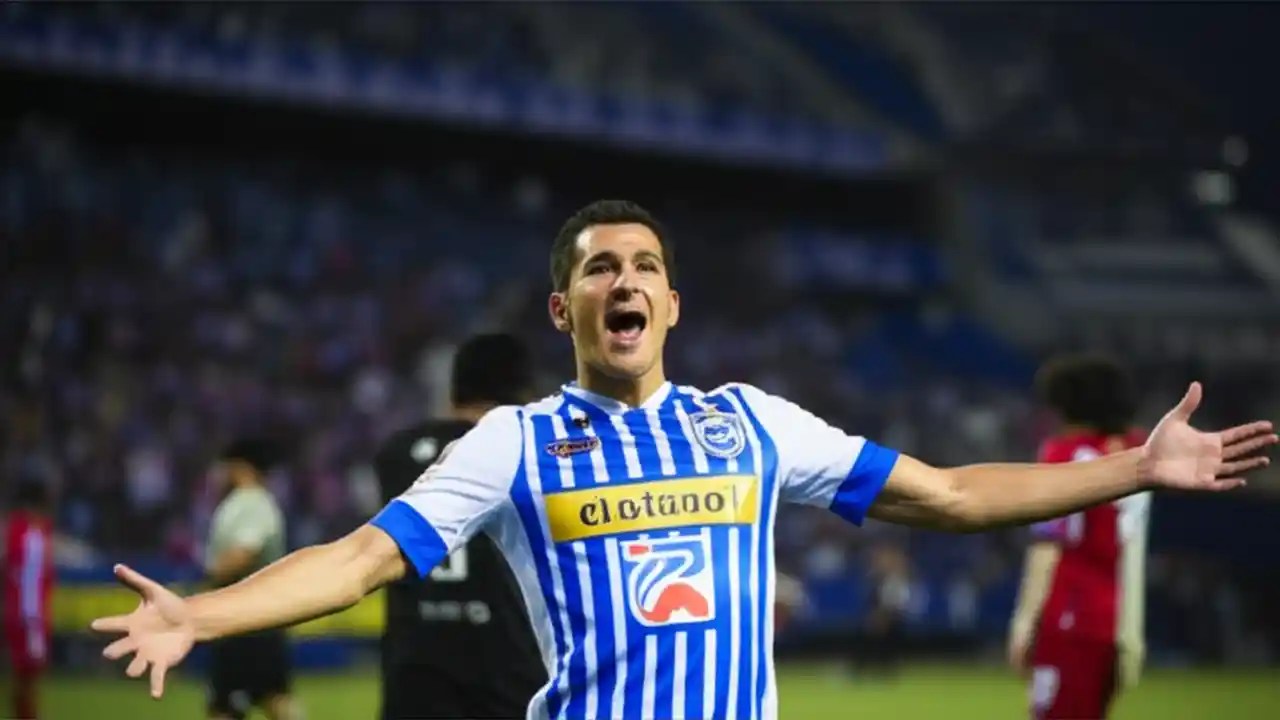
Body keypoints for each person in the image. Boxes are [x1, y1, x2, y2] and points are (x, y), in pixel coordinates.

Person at [90, 199, 1276, 720]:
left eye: (644, 266)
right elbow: (356, 561)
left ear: (670, 300)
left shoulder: (751, 424)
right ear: (563, 309)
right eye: (600, 267)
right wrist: (205, 615)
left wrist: (1131, 468)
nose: (625, 282)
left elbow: (955, 492)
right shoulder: (511, 441)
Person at [373, 333, 545, 719]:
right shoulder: (524, 449)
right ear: (523, 388)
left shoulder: (396, 453)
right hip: (505, 666)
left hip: (414, 670)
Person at [1008, 354, 1151, 719]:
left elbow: (1048, 547)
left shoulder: (1063, 454)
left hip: (1069, 613)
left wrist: (1025, 621)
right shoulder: (1138, 454)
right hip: (1113, 618)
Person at [202, 440, 295, 720]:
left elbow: (245, 551)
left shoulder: (252, 503)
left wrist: (212, 574)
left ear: (240, 466)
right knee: (271, 696)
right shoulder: (247, 502)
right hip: (250, 614)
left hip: (247, 616)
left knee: (229, 703)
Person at [4, 480, 53, 720]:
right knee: (28, 677)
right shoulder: (35, 532)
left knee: (22, 676)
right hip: (30, 613)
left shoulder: (14, 529)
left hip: (18, 610)